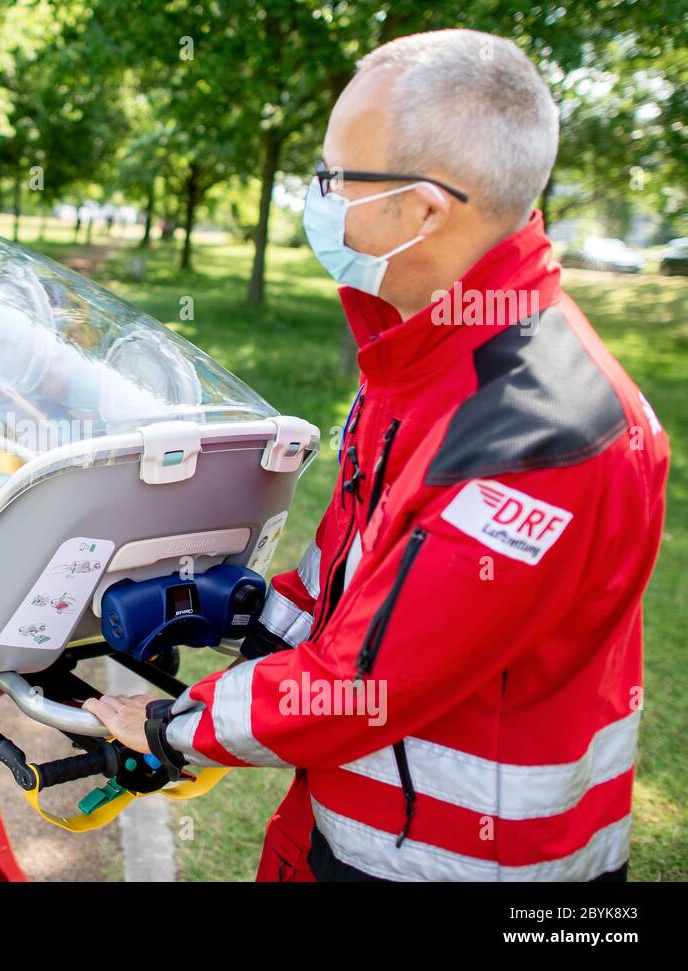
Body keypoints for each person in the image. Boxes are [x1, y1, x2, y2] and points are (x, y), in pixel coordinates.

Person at [84, 29, 670, 881]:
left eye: (331, 179)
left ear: (424, 209)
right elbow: (356, 589)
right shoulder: (424, 355)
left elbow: (366, 683)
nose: (314, 201)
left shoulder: (537, 431)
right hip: (368, 826)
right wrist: (235, 608)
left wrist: (175, 727)